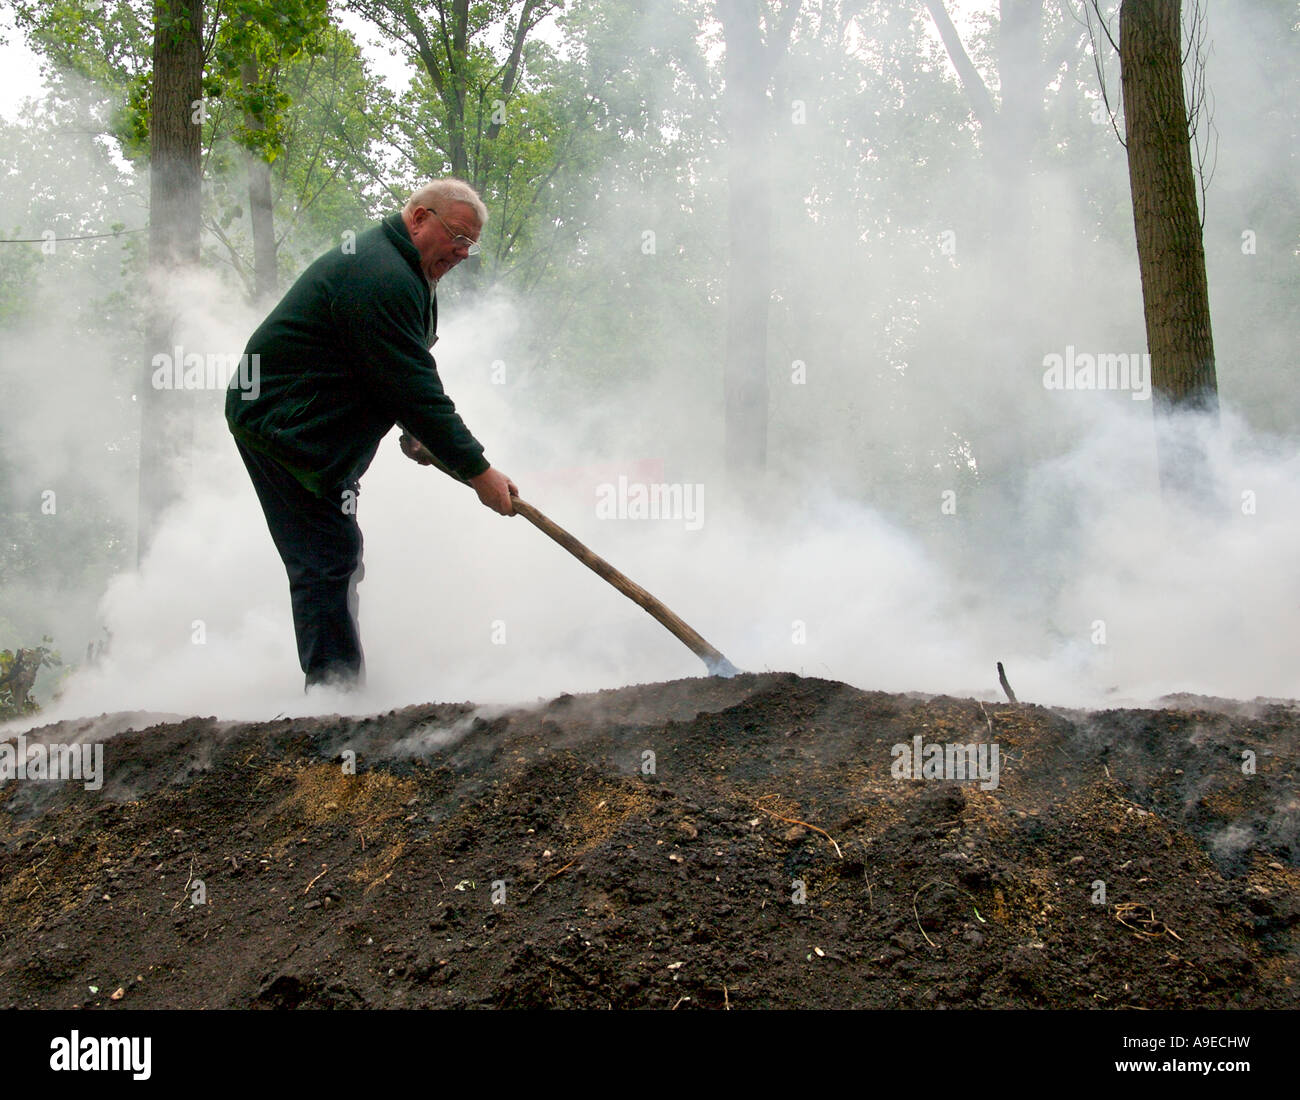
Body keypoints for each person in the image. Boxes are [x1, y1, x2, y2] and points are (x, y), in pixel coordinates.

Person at [225, 178, 517, 690]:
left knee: (337, 555)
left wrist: (417, 432)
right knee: (326, 558)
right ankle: (333, 704)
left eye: (470, 244)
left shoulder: (407, 270)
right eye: (456, 236)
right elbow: (413, 387)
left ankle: (339, 690)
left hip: (317, 431)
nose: (462, 252)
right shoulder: (380, 273)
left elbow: (386, 371)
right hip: (287, 429)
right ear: (420, 218)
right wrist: (478, 470)